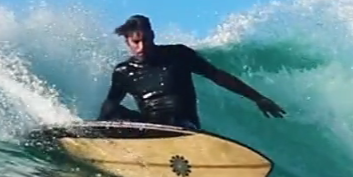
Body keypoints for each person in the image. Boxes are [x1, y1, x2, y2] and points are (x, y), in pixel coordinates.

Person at [97, 14, 286, 130]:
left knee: (175, 122)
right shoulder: (124, 72)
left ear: (153, 35)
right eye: (136, 42)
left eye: (145, 40)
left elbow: (217, 75)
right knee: (113, 111)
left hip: (183, 126)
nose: (142, 47)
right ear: (127, 42)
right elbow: (110, 103)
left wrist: (258, 98)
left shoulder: (178, 55)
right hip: (150, 127)